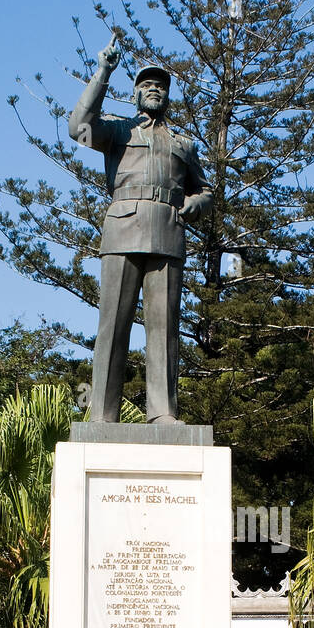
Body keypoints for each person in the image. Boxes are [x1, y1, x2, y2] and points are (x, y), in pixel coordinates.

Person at [68, 35, 213, 423]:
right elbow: (77, 126)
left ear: (168, 96)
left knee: (164, 330)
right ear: (135, 93)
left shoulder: (183, 143)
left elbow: (206, 189)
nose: (154, 89)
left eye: (160, 86)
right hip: (122, 230)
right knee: (113, 325)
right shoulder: (118, 130)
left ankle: (162, 413)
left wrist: (191, 206)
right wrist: (104, 70)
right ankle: (101, 414)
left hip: (168, 232)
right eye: (147, 85)